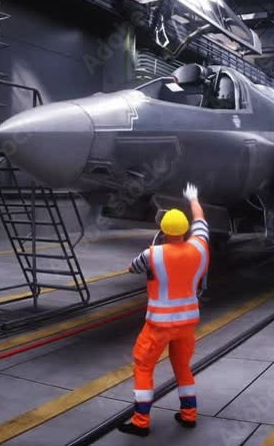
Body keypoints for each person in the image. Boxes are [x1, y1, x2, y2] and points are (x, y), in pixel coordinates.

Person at [119, 183, 210, 437]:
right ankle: (189, 415)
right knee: (182, 367)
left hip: (158, 326)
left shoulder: (152, 254)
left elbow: (132, 267)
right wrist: (193, 198)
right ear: (185, 230)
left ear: (163, 230)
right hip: (187, 324)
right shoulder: (200, 247)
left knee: (143, 366)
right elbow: (200, 220)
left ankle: (140, 422)